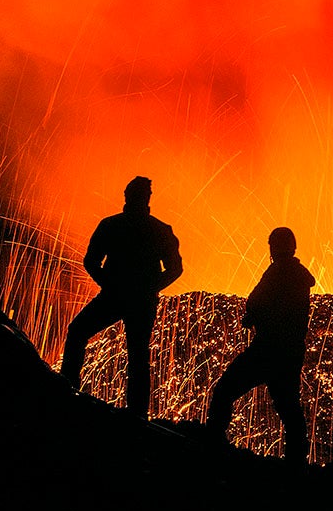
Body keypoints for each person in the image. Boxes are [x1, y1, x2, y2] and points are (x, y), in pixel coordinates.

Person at [59, 176, 183, 419]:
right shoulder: (157, 230)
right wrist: (150, 287)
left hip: (118, 297)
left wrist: (112, 283)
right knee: (138, 354)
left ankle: (67, 391)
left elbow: (91, 261)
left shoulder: (113, 226)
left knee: (80, 333)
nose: (138, 198)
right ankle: (136, 414)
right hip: (136, 300)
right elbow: (175, 269)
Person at [207, 227, 315, 462]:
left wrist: (255, 316)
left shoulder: (278, 273)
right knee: (289, 407)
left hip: (267, 350)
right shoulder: (296, 276)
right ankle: (296, 461)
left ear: (274, 247)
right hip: (289, 353)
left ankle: (212, 444)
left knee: (225, 390)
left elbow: (266, 304)